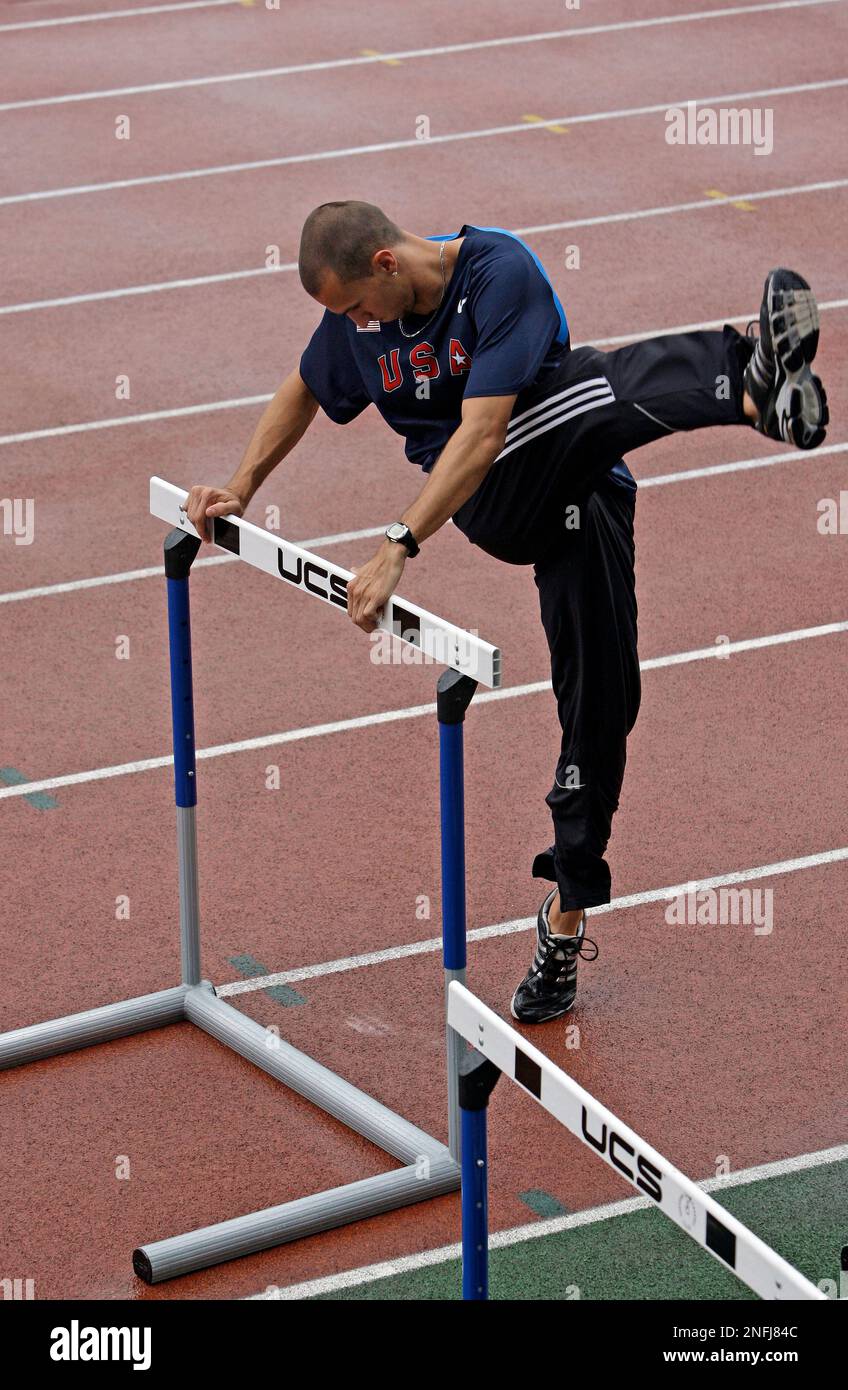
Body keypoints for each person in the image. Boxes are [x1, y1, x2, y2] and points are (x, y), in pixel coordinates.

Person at [185, 200, 828, 1026]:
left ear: (386, 264)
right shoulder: (357, 330)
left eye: (352, 307)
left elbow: (488, 425)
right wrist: (245, 486)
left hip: (572, 482)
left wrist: (394, 543)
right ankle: (743, 380)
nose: (352, 327)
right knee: (583, 387)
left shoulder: (498, 275)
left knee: (603, 703)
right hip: (494, 501)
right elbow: (305, 390)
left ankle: (564, 915)